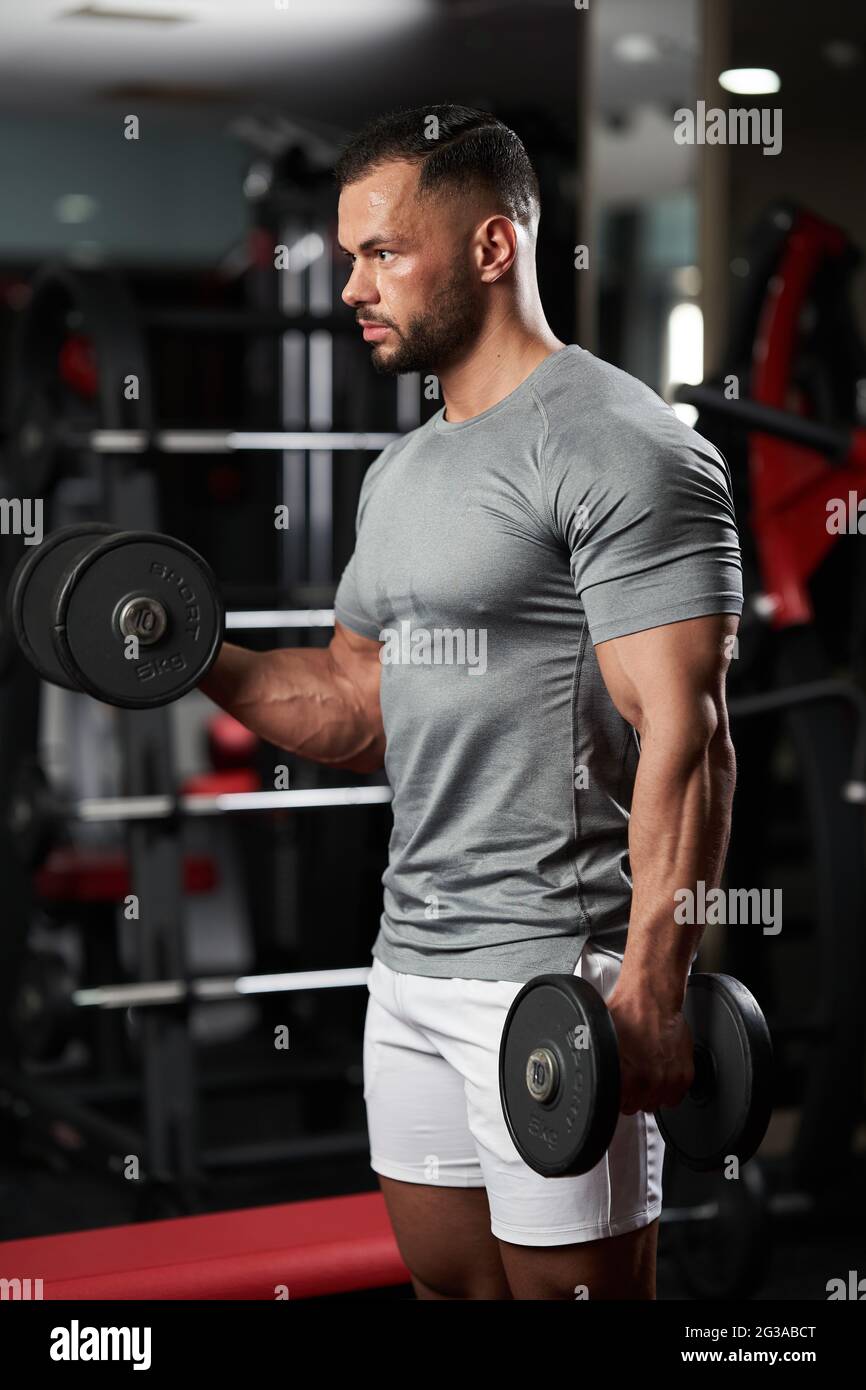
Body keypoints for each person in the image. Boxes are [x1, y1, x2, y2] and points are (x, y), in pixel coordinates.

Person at [200, 104, 742, 1299]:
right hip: (407, 967)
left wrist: (652, 979)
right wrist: (189, 655)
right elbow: (358, 700)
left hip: (550, 970)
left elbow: (685, 732)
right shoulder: (402, 469)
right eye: (350, 255)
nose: (353, 285)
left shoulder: (618, 445)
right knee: (449, 1290)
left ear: (493, 246)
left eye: (382, 252)